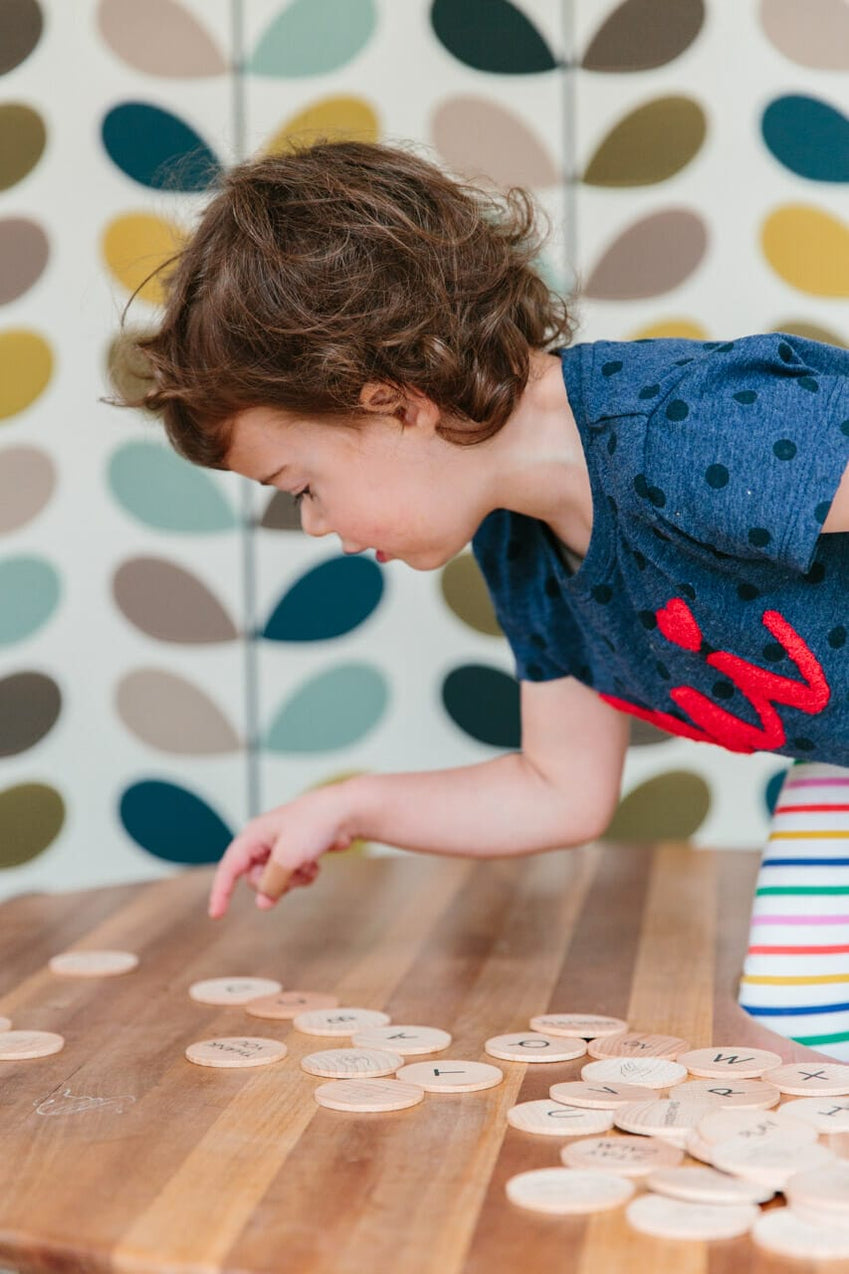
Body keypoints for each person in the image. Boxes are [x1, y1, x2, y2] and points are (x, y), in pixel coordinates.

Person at [118, 139, 849, 1059]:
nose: (314, 525)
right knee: (797, 1035)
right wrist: (357, 807)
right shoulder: (524, 548)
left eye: (300, 484)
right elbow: (559, 792)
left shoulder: (691, 432)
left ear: (392, 402)